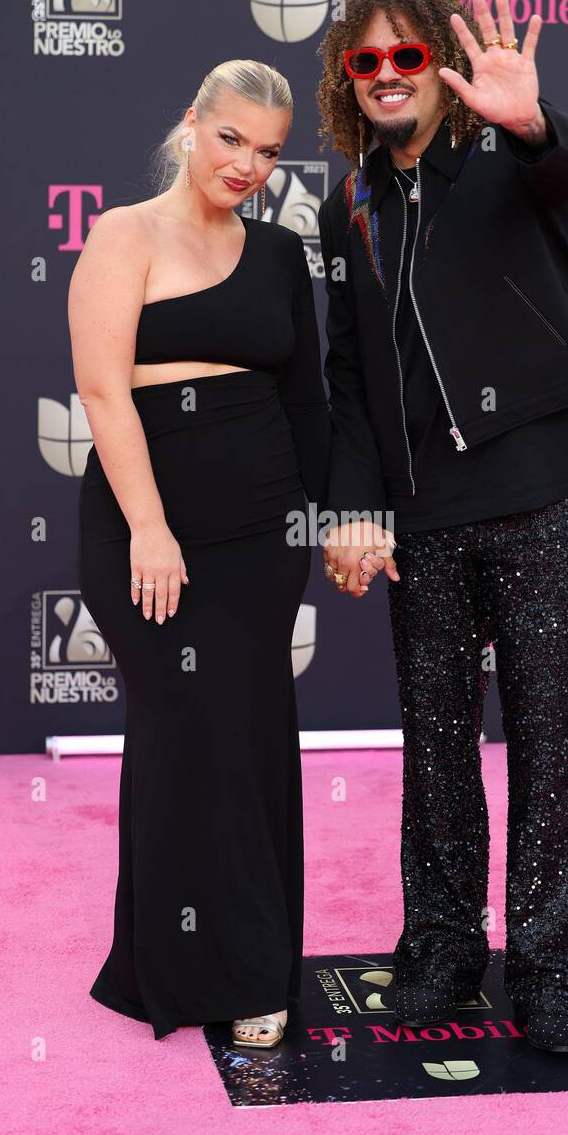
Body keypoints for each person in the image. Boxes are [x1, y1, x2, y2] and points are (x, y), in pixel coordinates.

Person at [316, 0, 568, 1053]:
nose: (388, 74)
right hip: (422, 507)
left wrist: (529, 118)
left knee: (544, 738)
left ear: (443, 64)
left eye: (407, 55)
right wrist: (356, 507)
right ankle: (440, 945)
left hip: (541, 482)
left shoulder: (507, 150)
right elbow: (347, 376)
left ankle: (548, 965)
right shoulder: (344, 197)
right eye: (367, 60)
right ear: (348, 79)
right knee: (433, 739)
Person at [71, 60, 329, 1048]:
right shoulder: (123, 233)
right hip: (146, 533)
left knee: (250, 737)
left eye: (267, 150)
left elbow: (303, 400)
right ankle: (183, 965)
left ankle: (244, 965)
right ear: (191, 125)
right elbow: (101, 390)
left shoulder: (277, 253)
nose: (247, 164)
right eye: (232, 139)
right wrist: (149, 526)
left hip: (259, 541)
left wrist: (339, 517)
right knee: (188, 733)